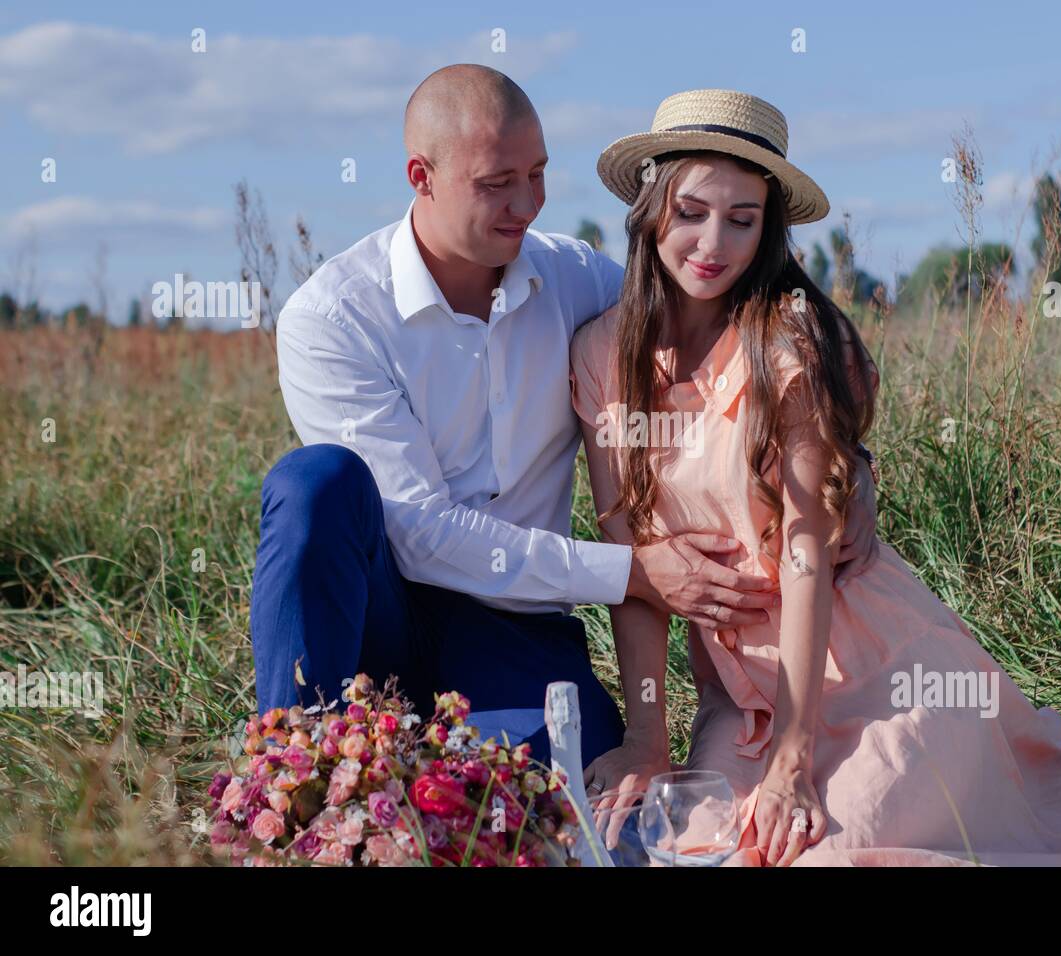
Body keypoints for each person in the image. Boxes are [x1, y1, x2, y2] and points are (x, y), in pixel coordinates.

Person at [573, 88, 1061, 866]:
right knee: (702, 849)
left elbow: (807, 552)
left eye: (742, 220)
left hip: (876, 667)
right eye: (690, 211)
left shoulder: (788, 343)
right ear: (650, 208)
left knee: (832, 853)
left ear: (768, 229)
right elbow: (638, 570)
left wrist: (793, 759)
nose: (713, 241)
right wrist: (646, 737)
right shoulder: (599, 356)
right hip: (741, 689)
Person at [249, 66, 881, 770]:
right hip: (378, 614)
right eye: (497, 183)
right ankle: (293, 766)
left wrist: (848, 466)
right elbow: (417, 532)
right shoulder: (331, 317)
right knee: (315, 484)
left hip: (515, 627)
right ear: (420, 176)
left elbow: (728, 323)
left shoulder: (575, 281)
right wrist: (630, 571)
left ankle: (471, 754)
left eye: (538, 175)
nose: (526, 205)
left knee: (566, 796)